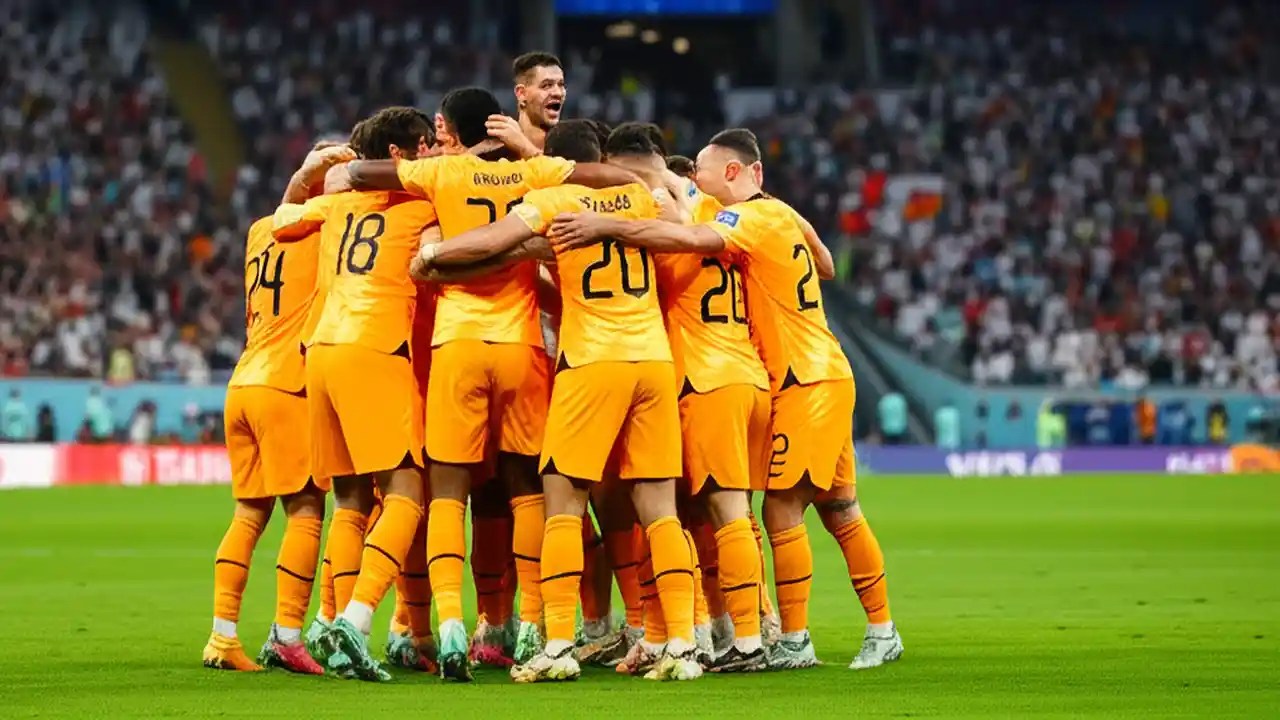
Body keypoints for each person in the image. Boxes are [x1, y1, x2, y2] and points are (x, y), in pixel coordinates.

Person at [550, 127, 903, 671]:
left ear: (734, 174)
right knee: (838, 508)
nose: (694, 181)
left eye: (702, 174)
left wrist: (606, 224)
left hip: (771, 379)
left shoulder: (733, 224)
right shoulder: (772, 217)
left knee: (767, 509)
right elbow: (827, 264)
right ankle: (877, 628)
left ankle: (775, 639)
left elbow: (688, 237)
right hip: (800, 373)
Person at [336, 88, 641, 680]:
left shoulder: (440, 172)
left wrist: (337, 165)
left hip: (456, 345)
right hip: (522, 346)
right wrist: (539, 151)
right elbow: (602, 173)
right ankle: (532, 625)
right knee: (530, 486)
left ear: (451, 127)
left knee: (446, 491)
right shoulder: (534, 171)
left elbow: (358, 171)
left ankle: (450, 626)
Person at [416, 119, 702, 683]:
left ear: (559, 161)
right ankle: (683, 646)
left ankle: (560, 645)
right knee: (660, 510)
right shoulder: (641, 196)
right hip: (653, 360)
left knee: (563, 503)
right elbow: (682, 222)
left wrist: (433, 255)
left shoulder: (553, 197)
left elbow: (495, 241)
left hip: (592, 359)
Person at [271, 107, 438, 683]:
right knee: (408, 494)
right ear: (400, 155)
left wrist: (308, 173)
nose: (430, 155)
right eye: (423, 146)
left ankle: (331, 625)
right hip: (375, 348)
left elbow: (280, 223)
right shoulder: (422, 206)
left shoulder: (334, 205)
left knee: (350, 501)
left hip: (321, 351)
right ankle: (359, 620)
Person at [204, 142, 351, 676]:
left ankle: (222, 635)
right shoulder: (330, 226)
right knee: (309, 510)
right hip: (286, 386)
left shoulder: (260, 230)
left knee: (249, 513)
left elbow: (293, 201)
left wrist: (307, 176)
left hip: (242, 382)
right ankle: (289, 634)